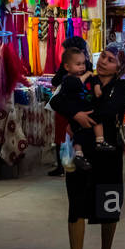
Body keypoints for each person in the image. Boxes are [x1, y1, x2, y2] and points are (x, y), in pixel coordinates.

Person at [50, 46, 125, 249]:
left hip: (107, 152)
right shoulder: (78, 78)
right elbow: (56, 100)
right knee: (76, 204)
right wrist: (76, 115)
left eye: (111, 59)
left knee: (109, 204)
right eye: (103, 57)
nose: (103, 62)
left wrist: (77, 113)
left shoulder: (121, 87)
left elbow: (110, 110)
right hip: (80, 149)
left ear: (120, 67)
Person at [50, 48, 110, 172]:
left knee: (89, 127)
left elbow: (94, 82)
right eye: (78, 64)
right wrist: (74, 114)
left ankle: (98, 142)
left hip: (86, 115)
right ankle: (79, 154)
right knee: (78, 133)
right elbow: (56, 101)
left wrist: (97, 86)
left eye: (83, 63)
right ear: (67, 66)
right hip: (77, 113)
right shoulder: (68, 79)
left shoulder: (116, 85)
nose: (82, 67)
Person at [47, 36, 94, 177]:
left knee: (62, 135)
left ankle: (64, 164)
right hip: (82, 107)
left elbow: (55, 81)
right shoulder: (87, 66)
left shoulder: (68, 66)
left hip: (66, 107)